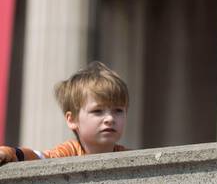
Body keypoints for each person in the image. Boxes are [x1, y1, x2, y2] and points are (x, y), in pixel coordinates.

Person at [0, 60, 129, 163]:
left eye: (118, 110)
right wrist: (11, 153)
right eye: (98, 111)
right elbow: (39, 157)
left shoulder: (129, 157)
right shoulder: (68, 152)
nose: (110, 119)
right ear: (72, 119)